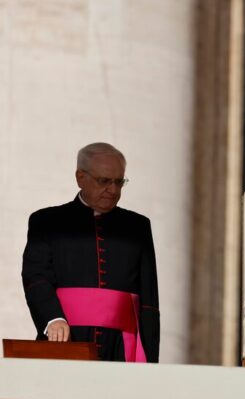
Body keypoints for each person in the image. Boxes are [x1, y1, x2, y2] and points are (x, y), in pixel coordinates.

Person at [22, 143, 160, 362]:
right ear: (80, 177)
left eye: (119, 182)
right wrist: (52, 319)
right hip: (67, 339)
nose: (113, 190)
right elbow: (36, 277)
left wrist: (151, 361)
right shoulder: (46, 222)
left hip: (123, 347)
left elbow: (149, 302)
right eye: (104, 181)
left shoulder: (138, 227)